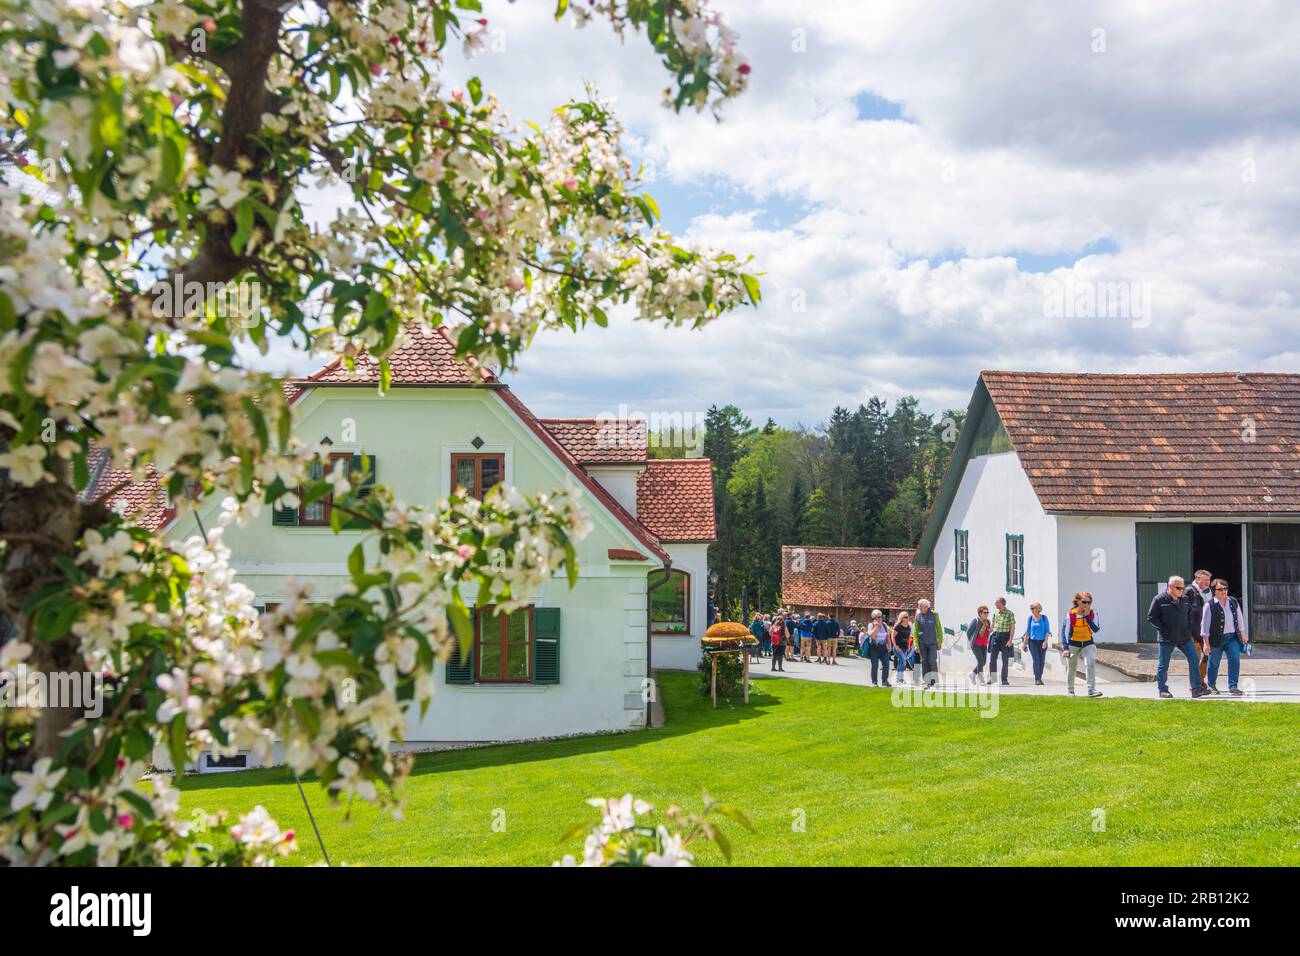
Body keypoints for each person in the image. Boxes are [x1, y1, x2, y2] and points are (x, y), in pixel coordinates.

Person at [1147, 576, 1206, 699]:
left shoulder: (1184, 599)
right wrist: (1163, 629)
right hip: (1167, 639)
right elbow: (1151, 618)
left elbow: (1190, 614)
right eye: (1178, 588)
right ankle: (1163, 690)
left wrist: (1189, 628)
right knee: (1164, 665)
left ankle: (1196, 688)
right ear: (1170, 587)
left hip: (1184, 638)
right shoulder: (1159, 600)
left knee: (1194, 659)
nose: (1181, 590)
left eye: (1182, 588)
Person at [1201, 578, 1246, 696]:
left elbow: (1240, 619)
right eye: (1220, 589)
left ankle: (1233, 686)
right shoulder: (1209, 605)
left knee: (1235, 660)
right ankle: (1211, 684)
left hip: (1232, 637)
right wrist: (1206, 643)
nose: (1223, 591)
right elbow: (1204, 627)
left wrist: (1243, 634)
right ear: (1214, 591)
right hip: (1216, 638)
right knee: (1214, 663)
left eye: (1225, 589)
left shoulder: (1233, 601)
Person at [1061, 591, 1103, 697]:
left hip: (1088, 643)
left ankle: (1091, 690)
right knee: (1072, 667)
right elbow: (1064, 631)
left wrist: (1087, 617)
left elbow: (1096, 629)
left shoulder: (1094, 613)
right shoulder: (1071, 614)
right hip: (1073, 643)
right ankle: (1070, 691)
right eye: (1084, 602)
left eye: (1089, 602)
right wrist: (1066, 648)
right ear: (1077, 602)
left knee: (1090, 662)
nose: (1087, 605)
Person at [1185, 569, 1213, 686]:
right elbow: (1185, 612)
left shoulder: (1209, 592)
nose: (1208, 582)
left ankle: (1200, 680)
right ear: (1197, 579)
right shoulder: (1189, 591)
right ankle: (1195, 685)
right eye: (1205, 580)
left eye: (1209, 580)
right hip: (1193, 632)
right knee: (1195, 658)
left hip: (1205, 631)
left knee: (1207, 656)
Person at [911, 599, 943, 687]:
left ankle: (935, 680)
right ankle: (926, 681)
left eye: (920, 606)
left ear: (926, 607)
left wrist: (939, 641)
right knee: (924, 661)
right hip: (922, 643)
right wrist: (916, 644)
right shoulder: (918, 616)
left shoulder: (935, 615)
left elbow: (939, 629)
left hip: (933, 643)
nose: (919, 608)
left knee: (932, 661)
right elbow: (915, 631)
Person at [1021, 602, 1053, 685]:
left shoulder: (1044, 618)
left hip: (1042, 641)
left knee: (1042, 660)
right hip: (1032, 642)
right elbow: (1027, 631)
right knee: (1036, 659)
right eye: (1031, 609)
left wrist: (1045, 642)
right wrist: (1024, 643)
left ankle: (1039, 677)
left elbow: (1047, 631)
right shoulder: (1030, 618)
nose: (1031, 610)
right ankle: (1037, 679)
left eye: (1033, 608)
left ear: (1037, 608)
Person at [988, 597, 1016, 686]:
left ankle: (1004, 679)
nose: (995, 604)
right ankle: (993, 679)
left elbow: (1012, 627)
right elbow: (993, 625)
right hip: (996, 636)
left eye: (997, 602)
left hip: (1005, 637)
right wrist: (988, 633)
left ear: (1002, 603)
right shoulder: (995, 613)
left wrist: (1010, 640)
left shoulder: (1009, 613)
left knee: (1005, 660)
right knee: (992, 658)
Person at [865, 610, 893, 686]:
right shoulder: (871, 625)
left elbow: (887, 636)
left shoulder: (884, 625)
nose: (881, 618)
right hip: (874, 648)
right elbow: (872, 637)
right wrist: (876, 627)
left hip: (883, 648)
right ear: (874, 618)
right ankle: (874, 682)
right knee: (874, 665)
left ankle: (885, 681)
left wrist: (889, 646)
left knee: (886, 664)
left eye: (881, 616)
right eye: (878, 617)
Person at [966, 605, 991, 683]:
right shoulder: (976, 621)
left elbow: (987, 633)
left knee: (983, 662)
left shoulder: (988, 622)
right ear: (980, 613)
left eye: (987, 612)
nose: (986, 614)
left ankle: (973, 673)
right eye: (984, 612)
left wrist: (990, 631)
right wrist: (972, 640)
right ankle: (981, 679)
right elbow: (968, 632)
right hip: (976, 645)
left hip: (984, 644)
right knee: (980, 661)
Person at [893, 611, 914, 683]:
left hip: (905, 647)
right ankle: (899, 678)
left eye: (908, 617)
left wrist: (908, 645)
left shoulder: (908, 627)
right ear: (902, 618)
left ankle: (899, 678)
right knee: (903, 661)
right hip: (898, 647)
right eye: (905, 617)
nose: (907, 618)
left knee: (901, 662)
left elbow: (908, 637)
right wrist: (895, 646)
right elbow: (892, 636)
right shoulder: (898, 626)